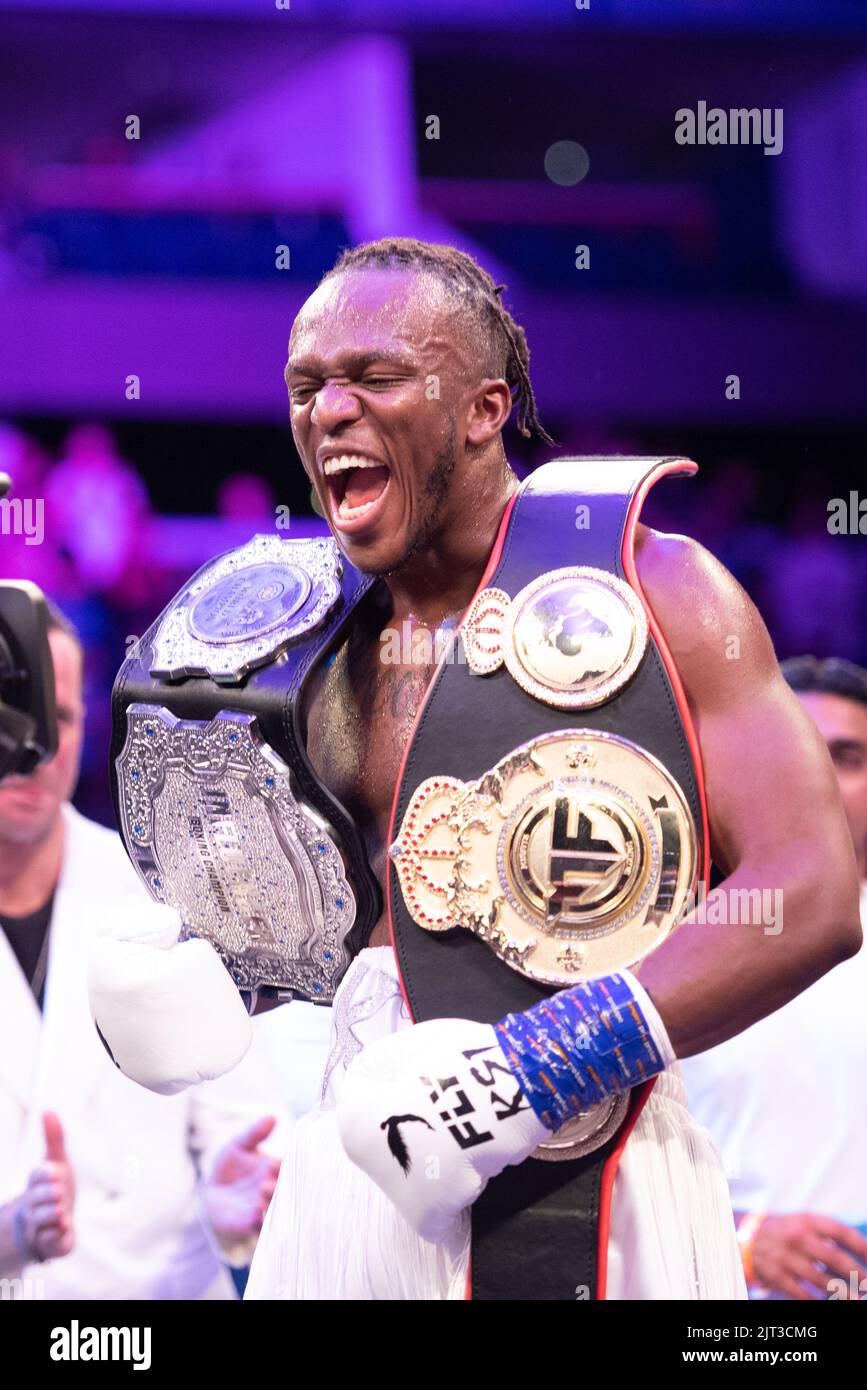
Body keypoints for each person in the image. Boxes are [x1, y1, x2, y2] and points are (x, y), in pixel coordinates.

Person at [92, 238, 862, 1301]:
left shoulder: (659, 589)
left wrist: (537, 1069)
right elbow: (344, 941)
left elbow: (812, 890)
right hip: (358, 1175)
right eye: (307, 387)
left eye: (374, 377)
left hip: (599, 1185)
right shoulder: (287, 640)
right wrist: (200, 977)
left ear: (484, 408)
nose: (328, 412)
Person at [0, 605, 291, 1300]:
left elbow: (245, 1134)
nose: (35, 746)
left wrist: (236, 1212)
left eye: (61, 718)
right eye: (14, 711)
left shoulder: (169, 893)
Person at [683, 656, 867, 1301]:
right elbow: (596, 1166)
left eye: (845, 756)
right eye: (798, 748)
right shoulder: (660, 942)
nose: (817, 773)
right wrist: (744, 1241)